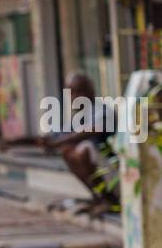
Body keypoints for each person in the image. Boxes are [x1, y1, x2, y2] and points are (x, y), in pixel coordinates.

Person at [40, 71, 118, 209]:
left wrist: (59, 141)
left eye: (79, 91)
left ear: (91, 91)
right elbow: (56, 136)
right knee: (67, 150)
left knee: (83, 149)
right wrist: (13, 142)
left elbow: (91, 130)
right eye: (71, 92)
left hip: (114, 170)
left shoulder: (103, 110)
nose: (74, 96)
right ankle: (98, 197)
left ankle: (109, 199)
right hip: (102, 170)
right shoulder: (80, 115)